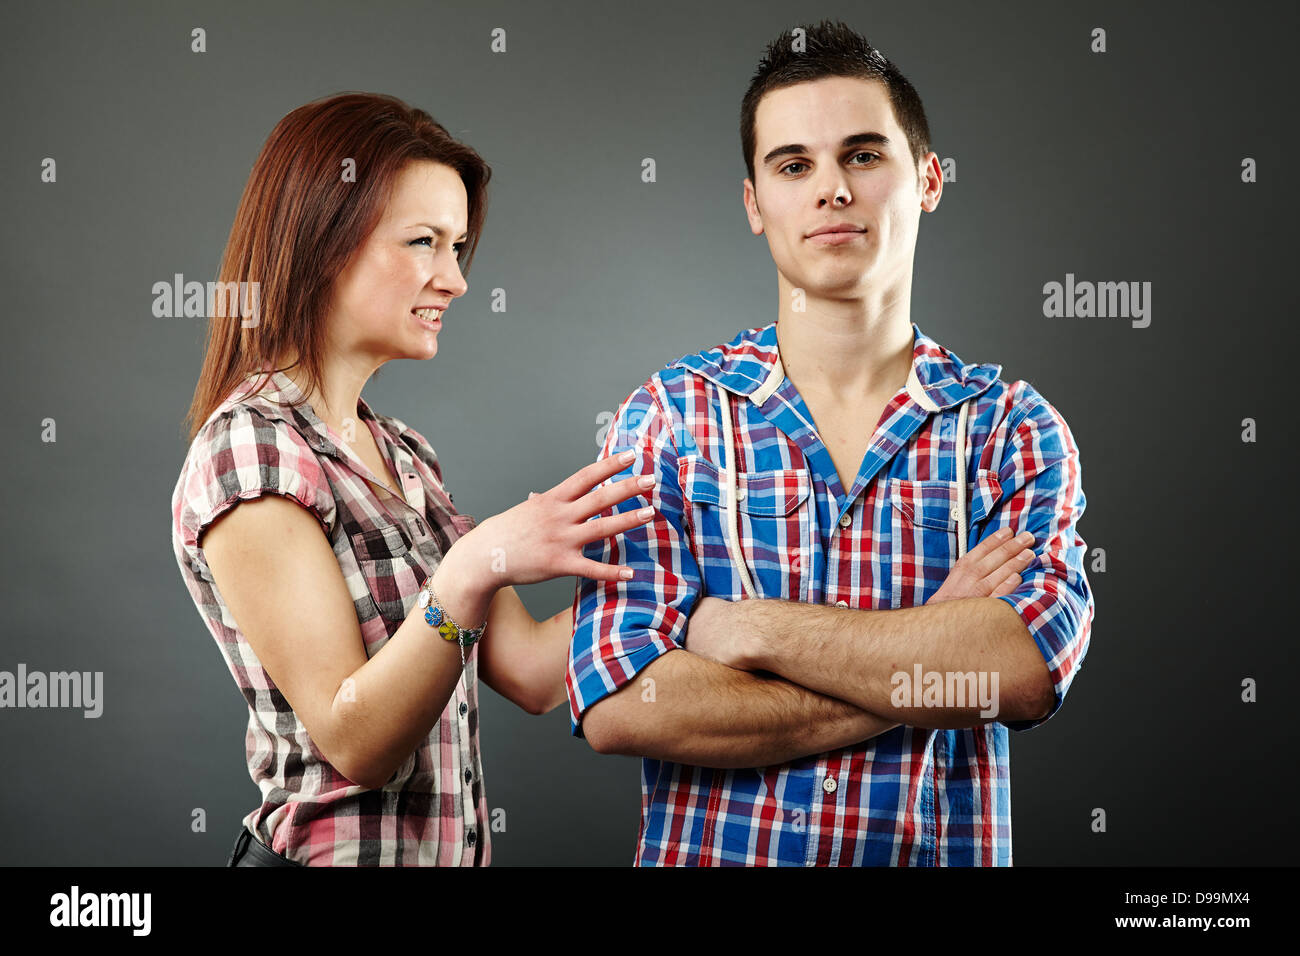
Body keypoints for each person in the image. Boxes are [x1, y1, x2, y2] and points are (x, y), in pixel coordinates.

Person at [568, 21, 1095, 866]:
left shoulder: (1012, 427)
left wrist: (755, 630)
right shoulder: (669, 417)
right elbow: (628, 703)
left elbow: (1021, 674)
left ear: (928, 179)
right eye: (793, 165)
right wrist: (927, 645)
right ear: (754, 203)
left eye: (862, 155)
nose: (831, 190)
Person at [170, 92, 654, 866]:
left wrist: (686, 573)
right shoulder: (250, 451)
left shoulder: (402, 454)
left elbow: (532, 673)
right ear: (322, 240)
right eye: (424, 241)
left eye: (458, 246)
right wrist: (477, 564)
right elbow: (358, 741)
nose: (455, 280)